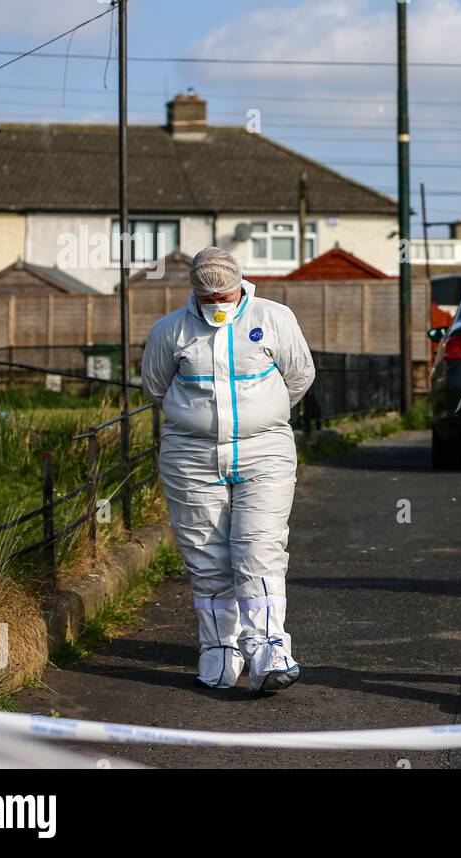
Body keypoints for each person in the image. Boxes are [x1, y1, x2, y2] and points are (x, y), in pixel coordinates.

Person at [141, 247, 315, 691]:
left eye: (226, 295)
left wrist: (259, 417)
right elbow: (156, 387)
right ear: (194, 292)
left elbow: (299, 376)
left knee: (258, 548)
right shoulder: (170, 331)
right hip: (192, 457)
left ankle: (269, 648)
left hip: (264, 452)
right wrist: (200, 422)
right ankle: (220, 648)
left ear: (242, 285)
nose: (219, 303)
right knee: (206, 556)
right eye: (210, 297)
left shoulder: (275, 318)